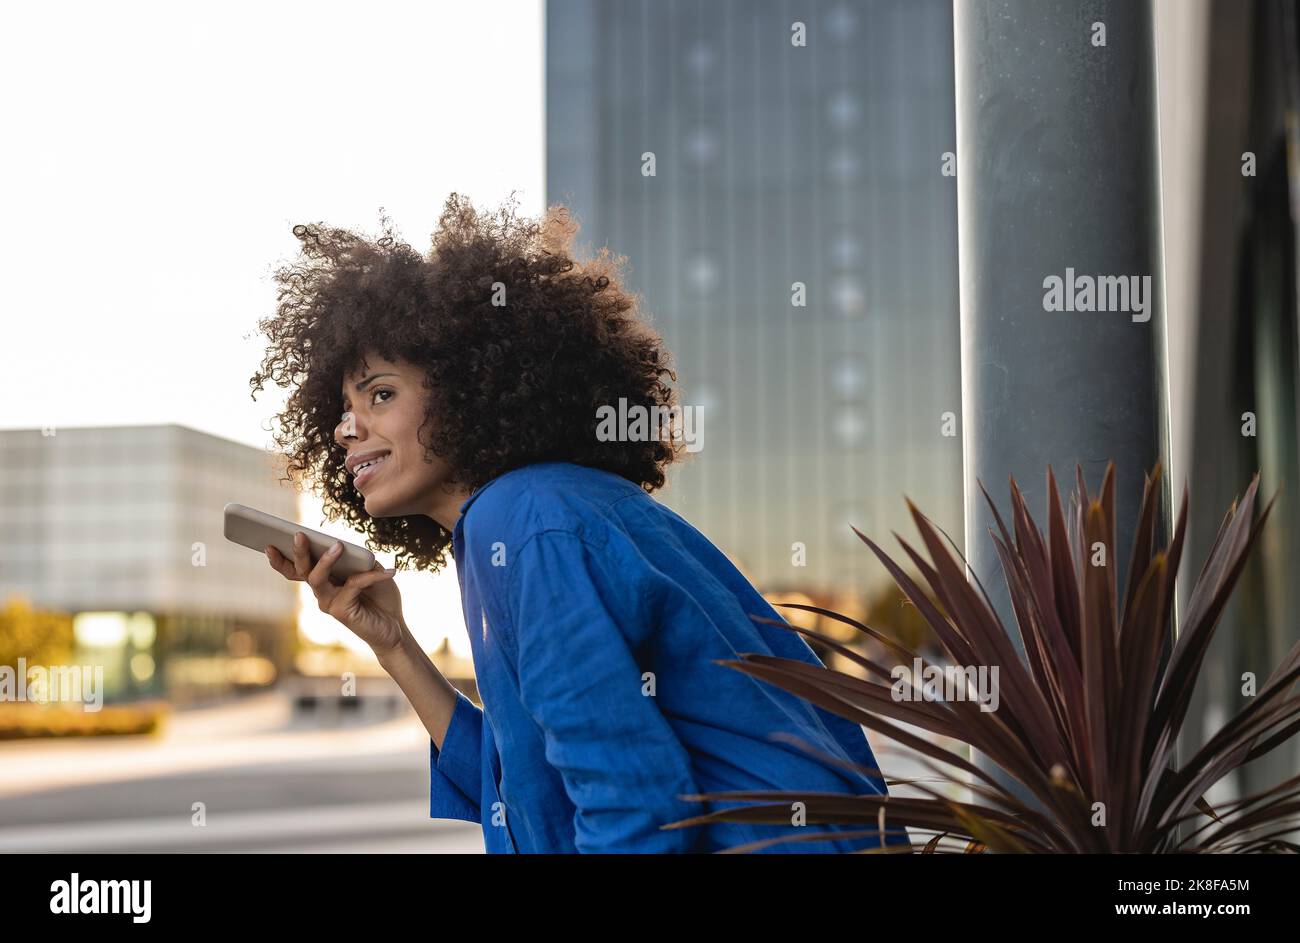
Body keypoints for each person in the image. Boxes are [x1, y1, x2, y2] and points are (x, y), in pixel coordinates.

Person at [249, 193, 909, 853]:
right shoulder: (529, 516)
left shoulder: (526, 523)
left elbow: (632, 808)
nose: (346, 428)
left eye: (381, 393)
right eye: (343, 407)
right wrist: (392, 641)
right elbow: (527, 792)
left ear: (468, 389)